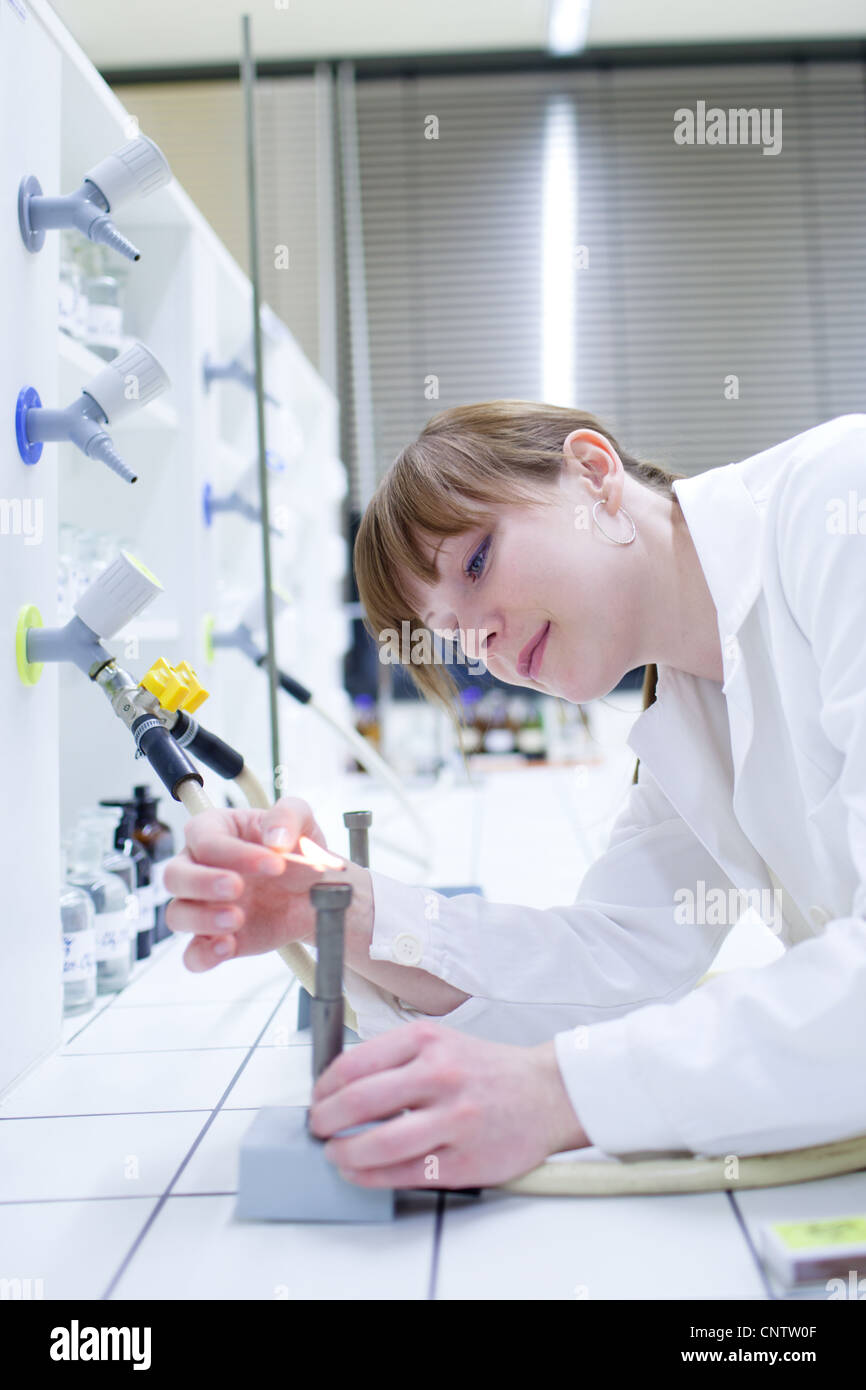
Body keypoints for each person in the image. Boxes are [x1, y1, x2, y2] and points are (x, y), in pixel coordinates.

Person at [164, 402, 866, 1190]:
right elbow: (617, 968)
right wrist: (338, 907)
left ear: (593, 474)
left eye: (475, 564)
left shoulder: (840, 505)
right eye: (452, 635)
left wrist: (554, 1096)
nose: (482, 642)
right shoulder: (690, 710)